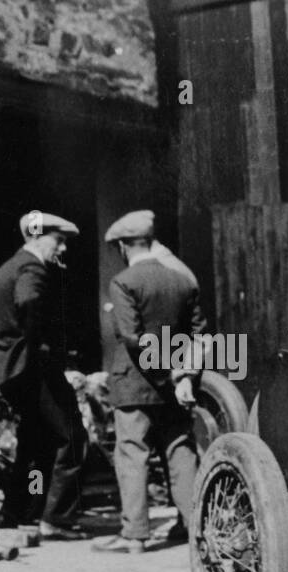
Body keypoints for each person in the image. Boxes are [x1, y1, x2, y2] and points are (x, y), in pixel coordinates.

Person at [92, 210, 206, 554]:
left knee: (132, 454)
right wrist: (183, 375)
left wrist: (166, 374)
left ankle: (136, 534)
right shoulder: (183, 281)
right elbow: (200, 334)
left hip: (136, 384)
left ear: (125, 246)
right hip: (176, 385)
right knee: (180, 451)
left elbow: (132, 337)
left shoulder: (124, 282)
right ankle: (193, 525)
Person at [0, 211, 88, 541]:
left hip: (10, 370)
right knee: (71, 437)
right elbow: (29, 300)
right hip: (34, 368)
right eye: (58, 241)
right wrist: (41, 348)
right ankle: (57, 518)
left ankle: (21, 514)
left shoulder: (3, 271)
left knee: (36, 443)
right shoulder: (32, 268)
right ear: (37, 237)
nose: (62, 249)